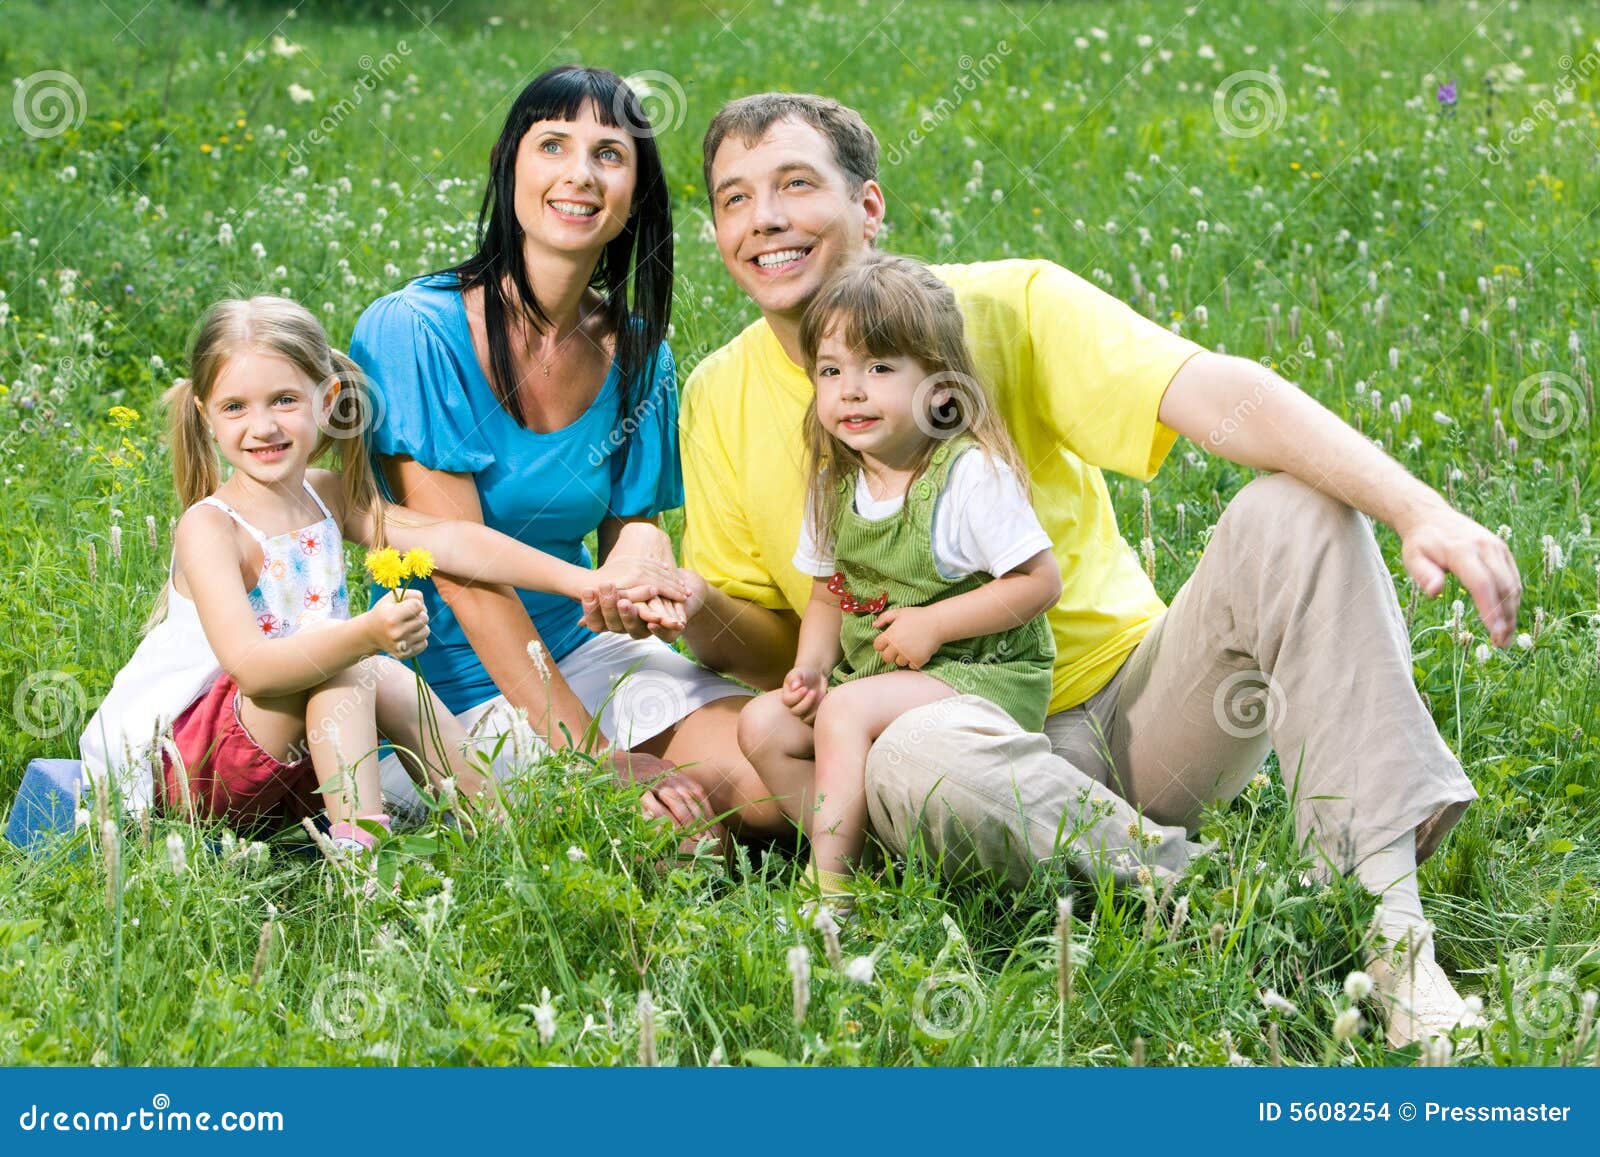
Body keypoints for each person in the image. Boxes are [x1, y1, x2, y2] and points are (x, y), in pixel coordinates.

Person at [587, 92, 1523, 1046]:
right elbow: (787, 658)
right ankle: (1223, 901)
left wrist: (1418, 506)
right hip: (949, 751)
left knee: (1300, 508)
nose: (766, 219)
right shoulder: (718, 395)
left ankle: (1390, 936)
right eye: (736, 199)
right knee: (903, 750)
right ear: (719, 233)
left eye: (795, 184)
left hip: (1138, 711)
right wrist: (699, 608)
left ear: (869, 206)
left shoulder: (1008, 303)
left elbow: (1218, 393)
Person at [78, 295, 686, 852]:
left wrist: (583, 582)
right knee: (355, 668)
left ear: (328, 399)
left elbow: (449, 539)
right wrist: (367, 635)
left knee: (368, 675)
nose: (261, 427)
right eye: (236, 407)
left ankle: (506, 836)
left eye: (284, 400)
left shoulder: (328, 496)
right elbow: (255, 673)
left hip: (294, 759)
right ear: (207, 416)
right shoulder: (211, 528)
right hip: (196, 767)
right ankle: (367, 874)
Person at [350, 65, 780, 838]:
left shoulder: (639, 350)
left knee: (778, 776)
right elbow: (463, 567)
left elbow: (633, 520)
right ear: (509, 165)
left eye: (609, 154)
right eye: (553, 144)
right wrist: (589, 757)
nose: (580, 174)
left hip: (582, 646)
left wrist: (642, 571)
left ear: (635, 195)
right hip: (451, 686)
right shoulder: (413, 330)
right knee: (669, 826)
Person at [738, 254, 1059, 912]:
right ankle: (873, 851)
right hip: (879, 681)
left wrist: (935, 622)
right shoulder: (835, 487)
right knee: (763, 725)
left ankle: (831, 893)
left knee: (848, 712)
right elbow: (828, 592)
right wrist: (809, 668)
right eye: (831, 371)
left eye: (880, 368)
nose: (851, 390)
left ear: (941, 390)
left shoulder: (966, 476)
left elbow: (1038, 581)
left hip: (982, 671)